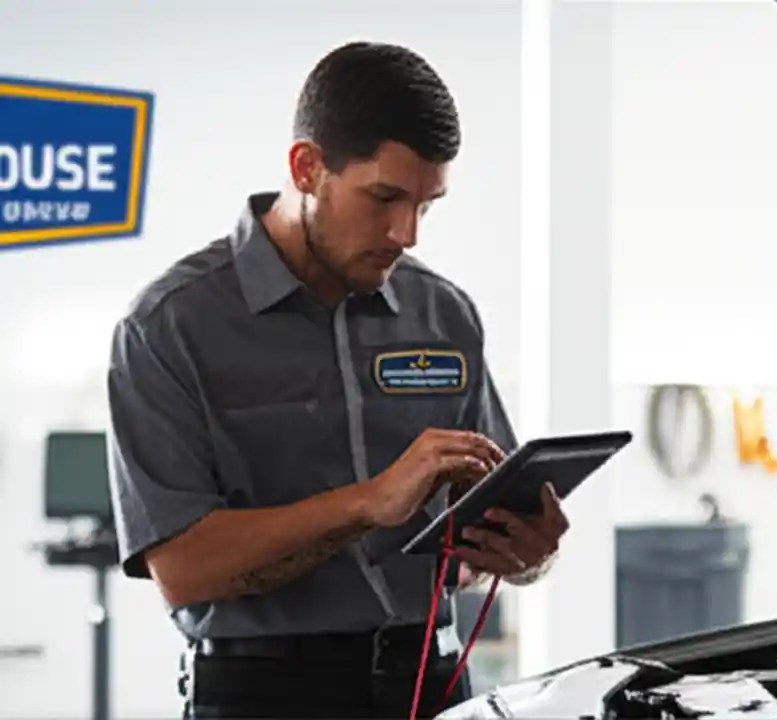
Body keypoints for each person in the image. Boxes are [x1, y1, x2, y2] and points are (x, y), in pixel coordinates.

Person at [105, 40, 568, 719]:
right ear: (307, 166)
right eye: (383, 197)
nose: (406, 232)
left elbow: (482, 543)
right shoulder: (168, 327)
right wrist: (368, 502)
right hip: (262, 696)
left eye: (426, 205)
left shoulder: (445, 315)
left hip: (431, 684)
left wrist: (526, 554)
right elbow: (181, 570)